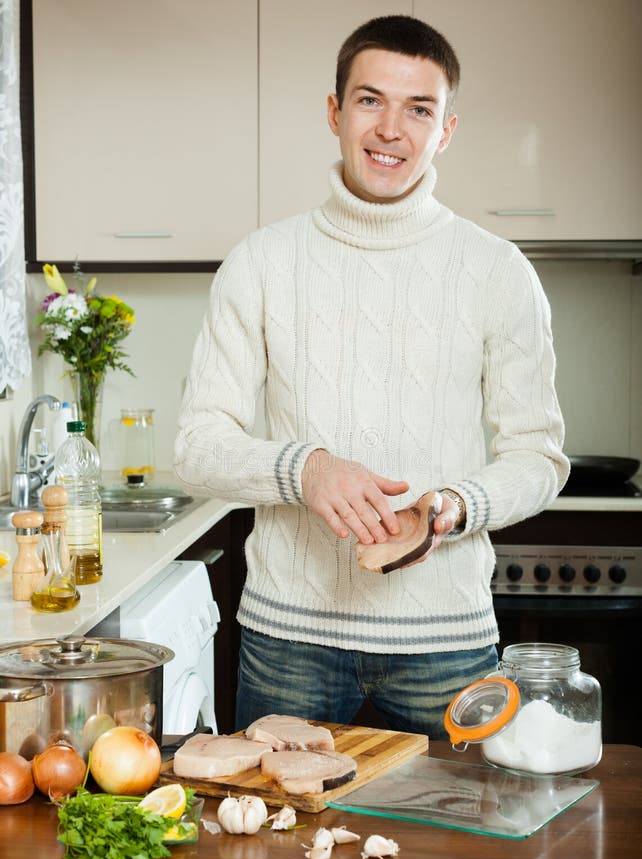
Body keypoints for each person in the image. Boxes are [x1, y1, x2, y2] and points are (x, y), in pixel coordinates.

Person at [174, 15, 569, 739]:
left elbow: (538, 458)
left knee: (459, 844)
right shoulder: (261, 262)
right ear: (334, 112)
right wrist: (306, 470)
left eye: (419, 109)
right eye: (369, 100)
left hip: (446, 642)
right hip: (288, 640)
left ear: (445, 129)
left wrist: (450, 507)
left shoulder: (497, 271)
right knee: (275, 843)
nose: (392, 129)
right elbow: (198, 445)